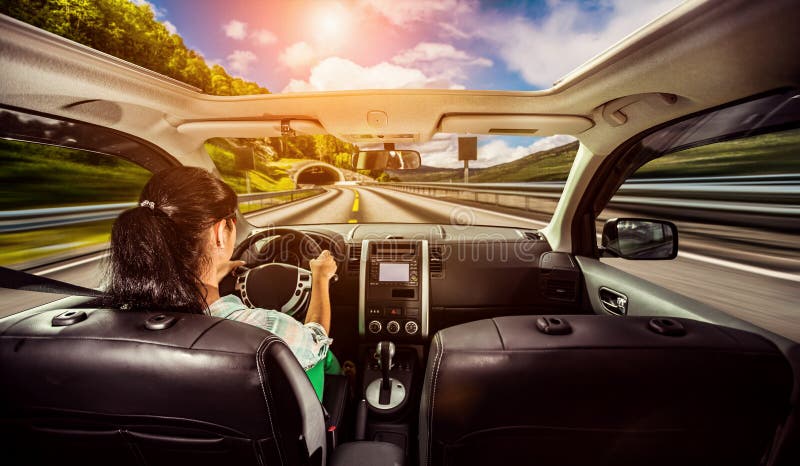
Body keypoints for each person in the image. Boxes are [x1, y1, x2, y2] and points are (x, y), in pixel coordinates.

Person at [105, 166, 338, 399]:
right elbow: (316, 339)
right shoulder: (263, 333)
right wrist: (320, 278)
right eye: (231, 221)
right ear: (219, 233)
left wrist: (211, 277)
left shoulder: (110, 326)